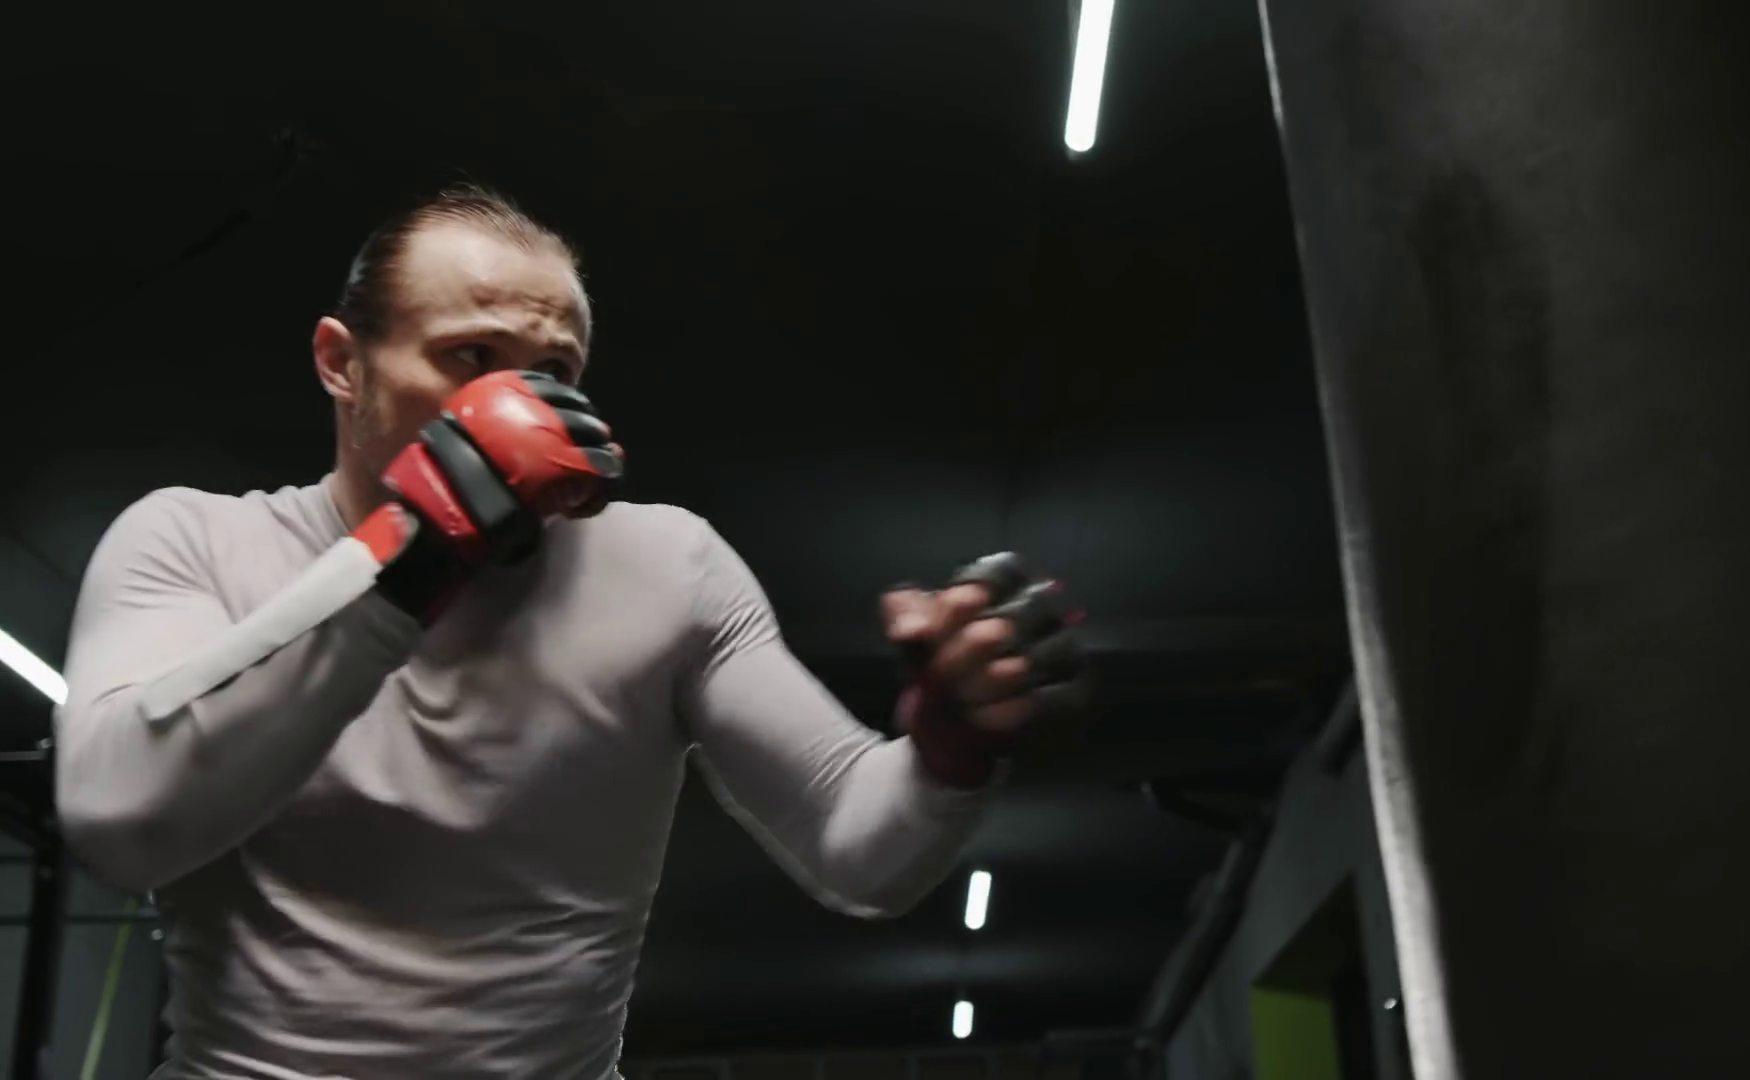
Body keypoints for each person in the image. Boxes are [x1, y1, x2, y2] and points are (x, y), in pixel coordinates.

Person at [52, 184, 1090, 1080]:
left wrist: (950, 746)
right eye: (471, 357)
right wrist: (403, 567)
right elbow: (118, 823)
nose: (517, 402)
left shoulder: (664, 567)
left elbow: (862, 852)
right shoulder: (193, 543)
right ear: (341, 362)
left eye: (553, 369)